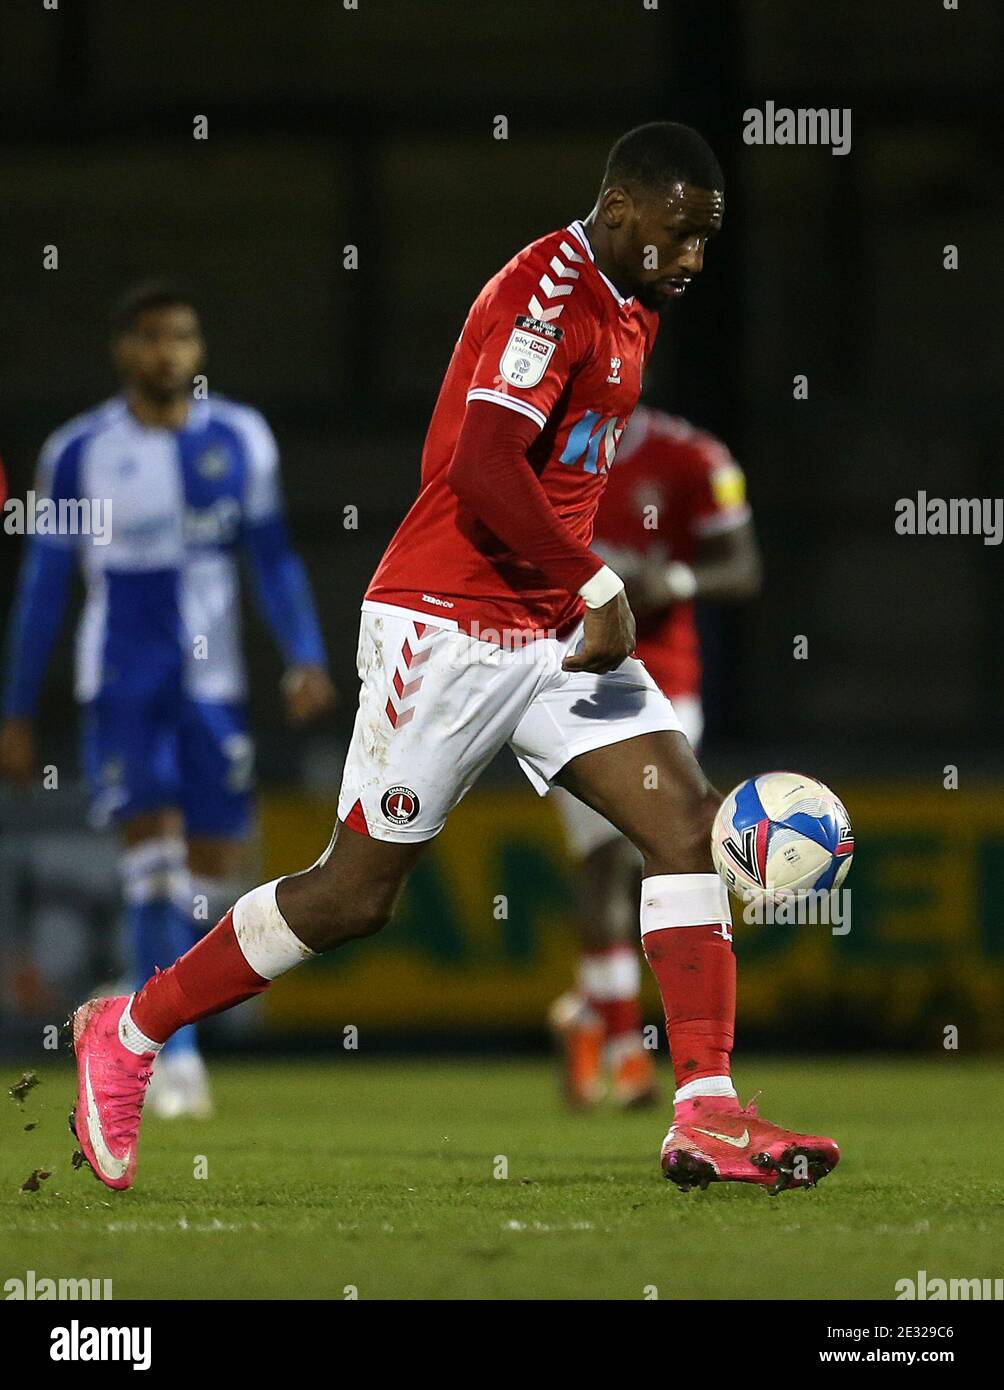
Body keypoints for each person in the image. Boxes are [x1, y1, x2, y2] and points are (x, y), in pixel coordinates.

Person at [68, 124, 838, 1194]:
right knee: (351, 897)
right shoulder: (549, 291)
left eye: (705, 243)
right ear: (618, 210)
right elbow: (477, 464)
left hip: (550, 631)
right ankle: (132, 1028)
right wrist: (597, 583)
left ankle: (704, 1108)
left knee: (683, 826)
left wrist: (570, 593)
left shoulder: (631, 301)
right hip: (447, 624)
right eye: (676, 237)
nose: (691, 261)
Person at [0, 284, 334, 1117]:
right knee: (152, 860)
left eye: (182, 337)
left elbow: (274, 557)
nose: (168, 353)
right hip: (122, 685)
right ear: (125, 351)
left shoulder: (239, 438)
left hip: (213, 687)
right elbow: (44, 586)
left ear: (199, 349)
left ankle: (136, 995)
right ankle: (173, 1056)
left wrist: (304, 655)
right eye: (151, 338)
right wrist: (15, 708)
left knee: (214, 873)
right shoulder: (79, 451)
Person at [549, 404, 762, 1110]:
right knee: (608, 861)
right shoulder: (531, 451)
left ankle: (593, 1018)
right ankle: (623, 1054)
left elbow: (742, 566)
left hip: (669, 686)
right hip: (567, 683)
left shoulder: (693, 456)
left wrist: (674, 582)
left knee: (661, 855)